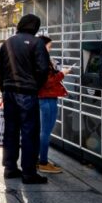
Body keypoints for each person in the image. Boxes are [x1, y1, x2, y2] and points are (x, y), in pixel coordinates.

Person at [0, 13, 51, 184]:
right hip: (27, 93)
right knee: (29, 132)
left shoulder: (7, 43)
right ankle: (29, 173)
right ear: (35, 27)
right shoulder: (37, 43)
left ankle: (10, 168)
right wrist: (35, 86)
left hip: (9, 92)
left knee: (10, 131)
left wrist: (3, 88)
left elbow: (1, 69)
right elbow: (43, 69)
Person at [37, 35, 68, 175]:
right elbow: (48, 82)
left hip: (43, 98)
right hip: (48, 99)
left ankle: (39, 160)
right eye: (49, 46)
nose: (50, 49)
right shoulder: (43, 60)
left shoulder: (36, 59)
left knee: (42, 131)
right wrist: (62, 73)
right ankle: (43, 162)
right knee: (45, 132)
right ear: (43, 46)